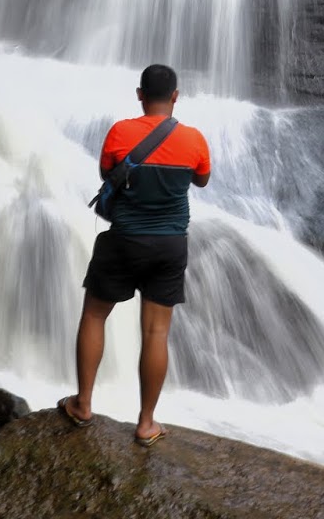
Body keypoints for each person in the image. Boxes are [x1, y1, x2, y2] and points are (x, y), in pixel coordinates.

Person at [59, 63, 210, 446]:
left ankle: (83, 404)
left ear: (139, 94)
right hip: (170, 243)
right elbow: (202, 178)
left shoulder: (120, 133)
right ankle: (146, 424)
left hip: (124, 238)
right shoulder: (194, 140)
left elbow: (106, 172)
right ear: (175, 97)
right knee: (157, 331)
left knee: (94, 315)